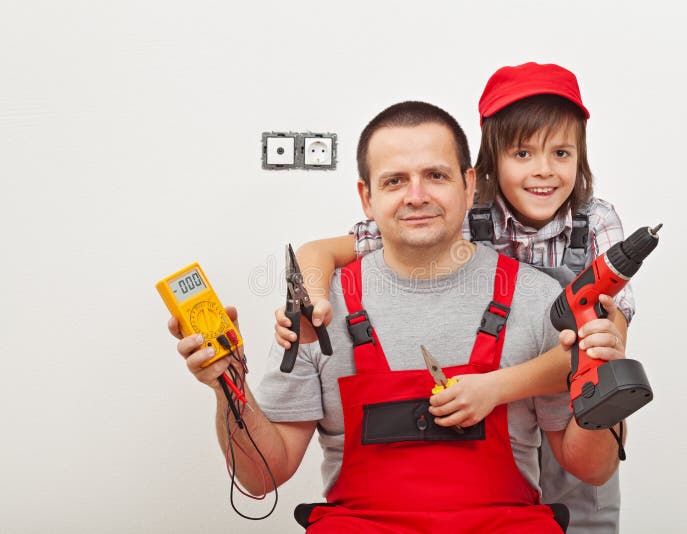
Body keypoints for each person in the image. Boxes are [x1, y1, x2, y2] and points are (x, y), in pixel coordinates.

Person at [172, 101, 625, 533]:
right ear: (365, 198)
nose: (416, 196)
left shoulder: (539, 300)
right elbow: (262, 478)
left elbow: (593, 467)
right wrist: (229, 383)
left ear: (469, 186)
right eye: (394, 181)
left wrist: (603, 377)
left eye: (435, 175)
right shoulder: (318, 311)